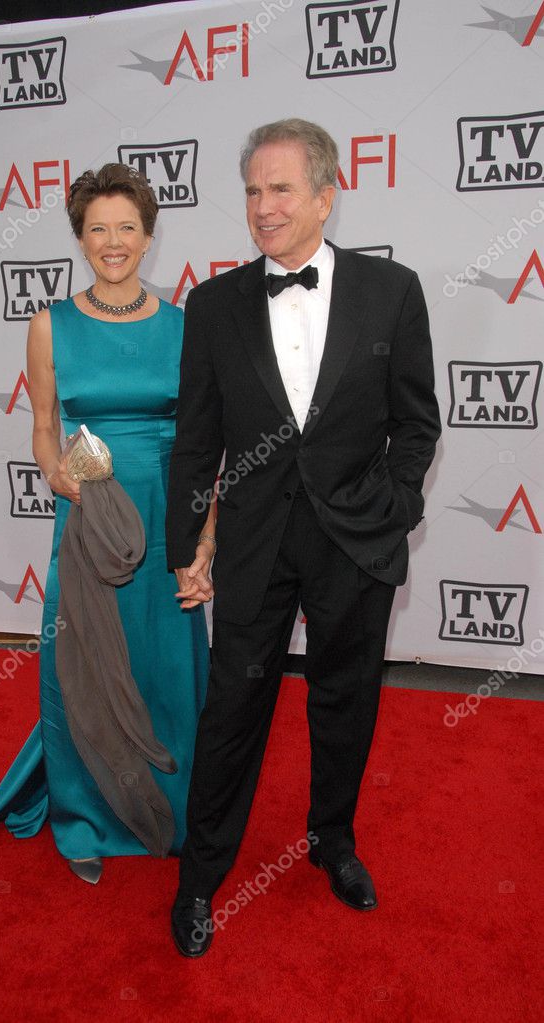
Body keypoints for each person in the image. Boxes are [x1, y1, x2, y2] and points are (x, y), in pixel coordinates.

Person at [165, 118, 441, 955]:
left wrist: (391, 507)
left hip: (354, 539)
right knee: (233, 707)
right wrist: (188, 546)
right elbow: (197, 441)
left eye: (280, 188)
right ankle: (201, 878)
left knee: (344, 699)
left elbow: (416, 422)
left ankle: (333, 841)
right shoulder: (212, 305)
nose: (262, 206)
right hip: (252, 543)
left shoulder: (390, 290)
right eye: (251, 190)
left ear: (325, 195)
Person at [0, 163, 213, 883]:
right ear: (80, 239)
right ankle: (85, 816)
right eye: (98, 229)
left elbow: (198, 441)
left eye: (127, 227)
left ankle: (173, 809)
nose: (113, 241)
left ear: (149, 236)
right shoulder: (48, 324)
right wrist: (53, 472)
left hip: (162, 517)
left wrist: (202, 537)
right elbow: (41, 428)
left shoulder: (186, 327)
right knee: (85, 668)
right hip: (89, 515)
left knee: (165, 662)